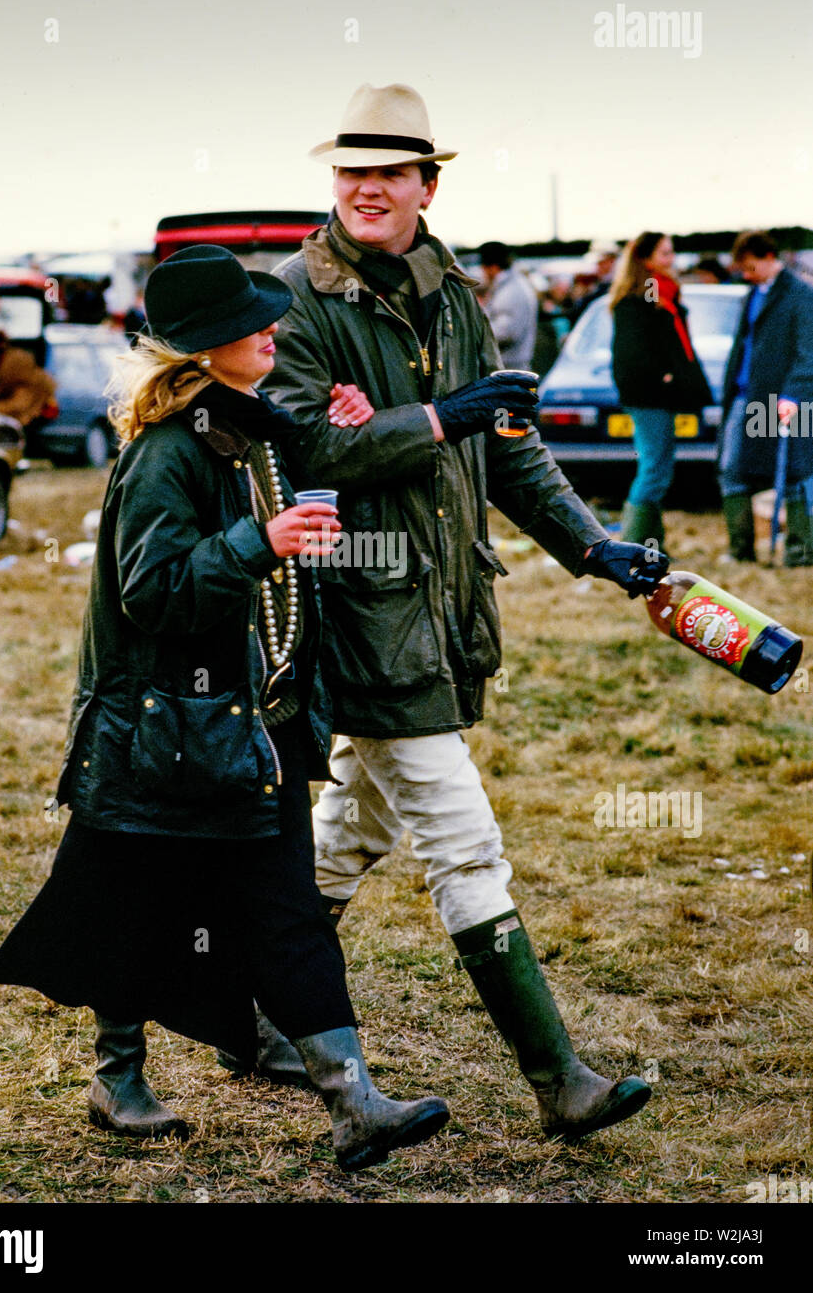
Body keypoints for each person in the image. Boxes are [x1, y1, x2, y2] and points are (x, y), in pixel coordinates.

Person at [229, 82, 667, 1141]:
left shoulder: (452, 292)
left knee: (355, 829)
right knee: (462, 844)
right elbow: (304, 446)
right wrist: (433, 416)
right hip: (357, 613)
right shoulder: (294, 296)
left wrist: (592, 545)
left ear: (429, 183)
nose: (366, 188)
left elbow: (505, 447)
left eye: (388, 171)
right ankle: (559, 1080)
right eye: (349, 171)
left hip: (447, 612)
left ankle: (249, 1017)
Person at [0, 245, 449, 1173]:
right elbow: (151, 590)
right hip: (169, 735)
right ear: (207, 348)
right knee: (123, 903)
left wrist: (341, 424)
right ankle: (117, 1079)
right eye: (255, 321)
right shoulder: (166, 453)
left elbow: (310, 462)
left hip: (254, 726)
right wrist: (258, 540)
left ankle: (351, 1103)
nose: (274, 328)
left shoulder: (247, 427)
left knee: (285, 912)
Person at [609, 232, 713, 547]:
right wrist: (664, 377)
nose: (672, 260)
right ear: (646, 259)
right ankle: (634, 545)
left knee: (658, 467)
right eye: (665, 253)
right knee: (654, 468)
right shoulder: (639, 299)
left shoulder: (657, 294)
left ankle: (649, 547)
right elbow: (634, 354)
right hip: (649, 396)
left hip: (654, 395)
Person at [718, 230, 813, 566]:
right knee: (732, 469)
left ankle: (800, 551)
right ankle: (740, 550)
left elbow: (808, 352)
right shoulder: (752, 294)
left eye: (751, 267)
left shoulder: (800, 295)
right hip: (748, 396)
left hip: (786, 399)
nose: (745, 274)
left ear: (769, 258)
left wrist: (794, 395)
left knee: (796, 472)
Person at [0, 330, 60, 444]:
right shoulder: (11, 356)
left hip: (32, 398)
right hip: (32, 397)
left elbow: (8, 383)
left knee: (1, 412)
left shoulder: (12, 358)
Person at [478, 240, 538, 369]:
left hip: (509, 366)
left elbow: (506, 332)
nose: (482, 274)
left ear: (493, 268)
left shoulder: (511, 291)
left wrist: (475, 334)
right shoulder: (513, 285)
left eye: (483, 269)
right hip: (512, 363)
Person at [569, 239, 621, 323]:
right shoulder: (596, 285)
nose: (598, 266)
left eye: (601, 262)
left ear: (611, 261)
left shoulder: (616, 286)